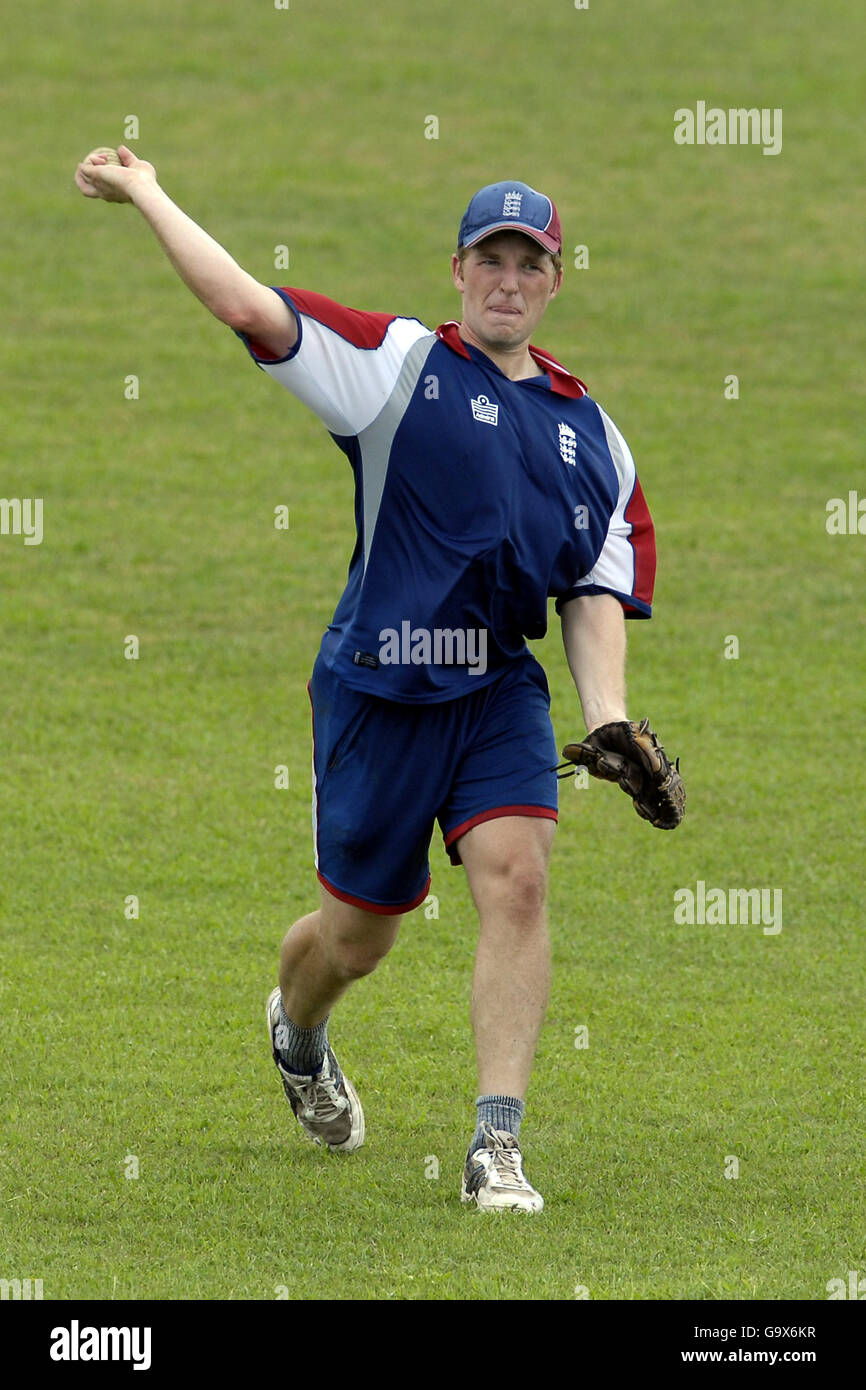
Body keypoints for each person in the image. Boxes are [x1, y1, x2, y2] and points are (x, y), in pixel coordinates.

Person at [75, 149, 657, 1213]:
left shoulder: (591, 436)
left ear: (556, 278)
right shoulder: (394, 366)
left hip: (494, 693)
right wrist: (152, 190)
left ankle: (496, 1147)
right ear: (457, 267)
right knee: (355, 938)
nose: (507, 280)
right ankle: (297, 1032)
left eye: (529, 262)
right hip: (376, 692)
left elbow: (590, 590)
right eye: (490, 258)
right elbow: (245, 304)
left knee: (518, 880)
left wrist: (607, 716)